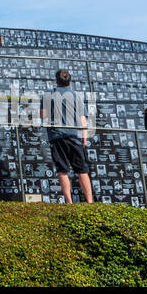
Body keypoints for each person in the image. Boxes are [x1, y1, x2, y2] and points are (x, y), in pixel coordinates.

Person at [41, 69, 94, 204]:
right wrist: (84, 137)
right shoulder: (76, 96)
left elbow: (43, 116)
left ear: (56, 80)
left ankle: (69, 202)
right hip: (75, 135)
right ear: (69, 81)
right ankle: (90, 202)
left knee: (62, 170)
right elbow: (83, 119)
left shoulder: (48, 94)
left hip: (57, 135)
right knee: (82, 170)